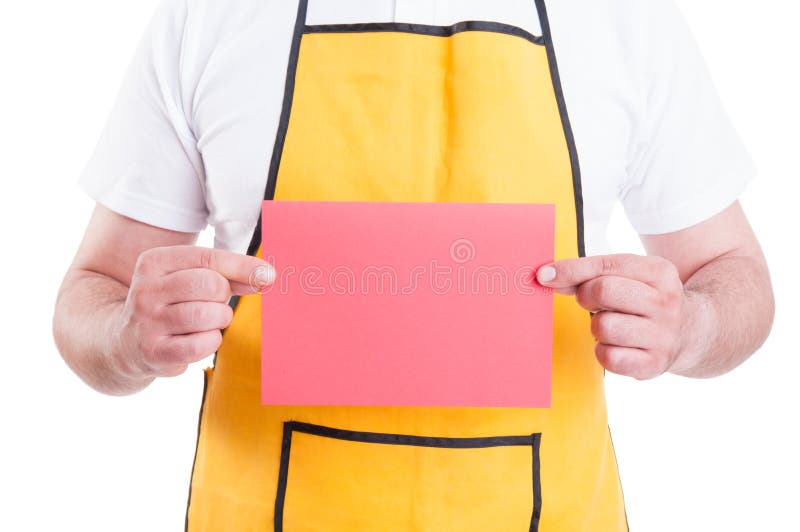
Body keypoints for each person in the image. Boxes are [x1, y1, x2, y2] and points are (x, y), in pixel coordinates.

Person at [53, 0, 774, 530]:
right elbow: (93, 293)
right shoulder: (210, 17)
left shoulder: (624, 21)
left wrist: (692, 326)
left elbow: (733, 272)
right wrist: (125, 334)